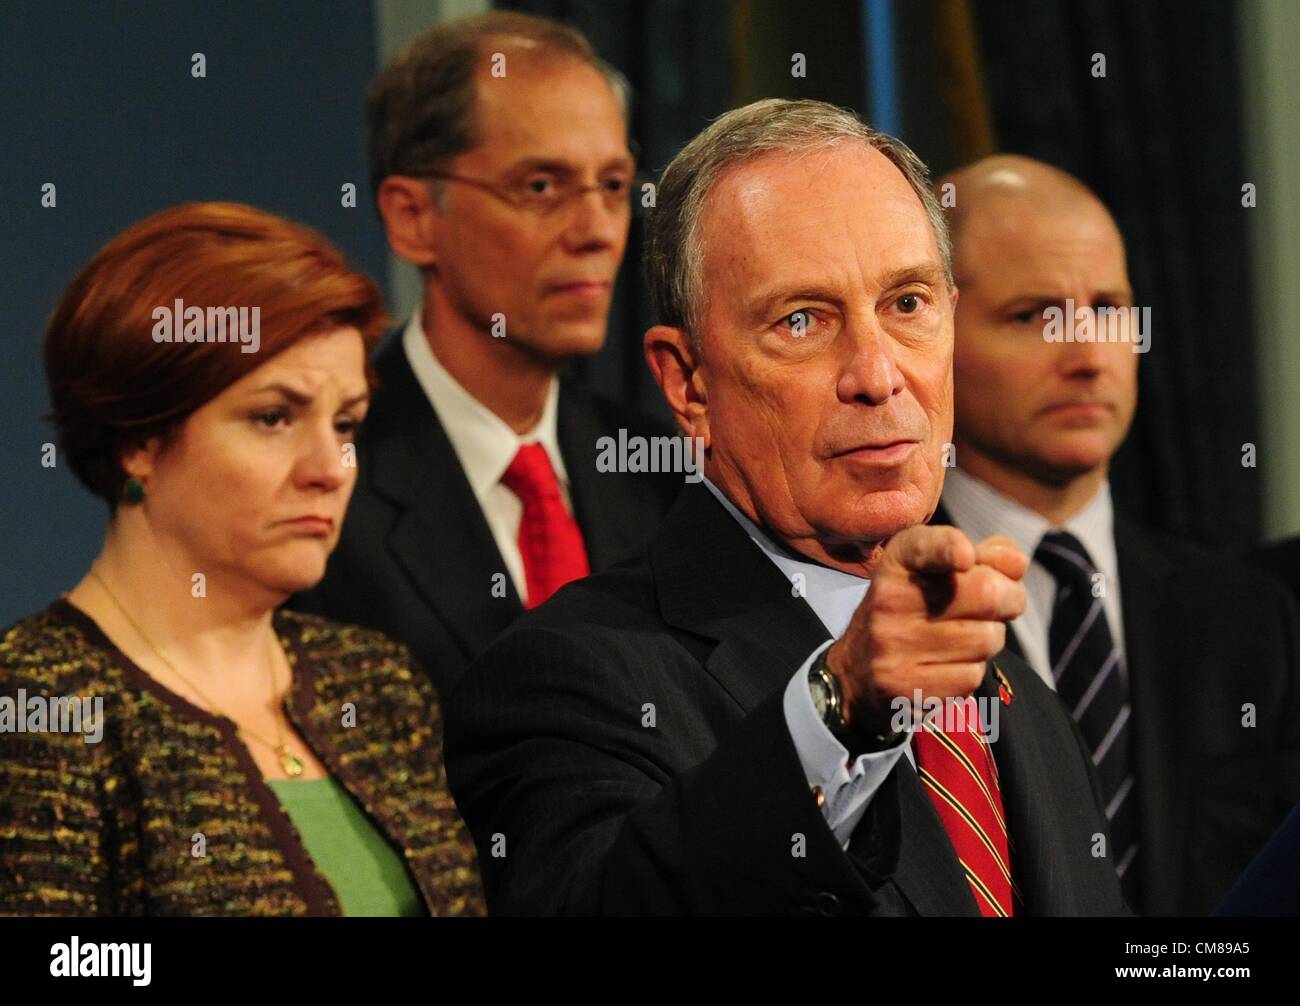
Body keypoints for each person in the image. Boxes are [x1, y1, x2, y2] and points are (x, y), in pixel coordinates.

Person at [443, 99, 1128, 916]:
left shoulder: (1025, 699)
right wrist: (838, 709)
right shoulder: (569, 677)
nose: (877, 374)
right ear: (687, 382)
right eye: (803, 320)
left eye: (908, 304)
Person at [0, 203, 483, 916]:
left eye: (346, 423)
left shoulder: (378, 683)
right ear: (139, 439)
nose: (332, 467)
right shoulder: (39, 707)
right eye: (273, 417)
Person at [934, 154, 1300, 915]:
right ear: (930, 335)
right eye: (1033, 314)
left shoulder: (1248, 615)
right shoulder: (881, 611)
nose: (1088, 355)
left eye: (1108, 308)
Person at [292, 12, 680, 695]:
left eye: (614, 187)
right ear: (413, 218)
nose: (596, 231)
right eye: (540, 187)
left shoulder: (668, 480)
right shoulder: (323, 489)